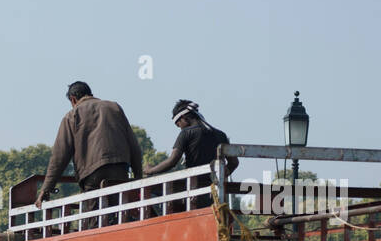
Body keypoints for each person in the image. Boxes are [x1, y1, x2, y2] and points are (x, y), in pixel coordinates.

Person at [34, 81, 144, 227]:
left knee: (92, 221)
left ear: (73, 99)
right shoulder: (114, 108)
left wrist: (45, 189)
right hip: (120, 170)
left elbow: (59, 157)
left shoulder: (72, 115)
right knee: (119, 216)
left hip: (93, 175)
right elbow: (134, 148)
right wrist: (138, 179)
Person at [144, 99, 239, 210]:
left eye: (178, 124)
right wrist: (221, 177)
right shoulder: (221, 135)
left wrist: (150, 170)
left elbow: (172, 161)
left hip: (194, 192)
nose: (179, 127)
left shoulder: (186, 133)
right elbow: (234, 162)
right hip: (215, 194)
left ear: (185, 118)